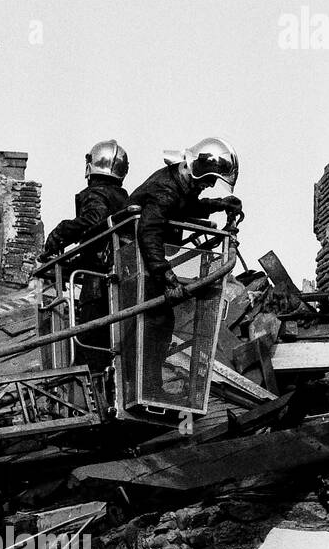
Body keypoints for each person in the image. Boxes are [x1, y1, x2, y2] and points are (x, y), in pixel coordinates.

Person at [127, 138, 243, 395]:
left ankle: (148, 387)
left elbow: (187, 207)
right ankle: (146, 389)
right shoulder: (165, 190)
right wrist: (167, 276)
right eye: (209, 179)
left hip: (142, 268)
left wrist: (220, 204)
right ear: (197, 169)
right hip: (135, 271)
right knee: (154, 325)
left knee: (158, 324)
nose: (210, 185)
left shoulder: (177, 185)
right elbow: (149, 232)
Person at [41, 140, 130, 365]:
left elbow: (94, 219)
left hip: (99, 287)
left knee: (90, 344)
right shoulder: (122, 198)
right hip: (120, 281)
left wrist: (61, 232)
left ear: (91, 166)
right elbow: (102, 243)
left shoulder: (96, 194)